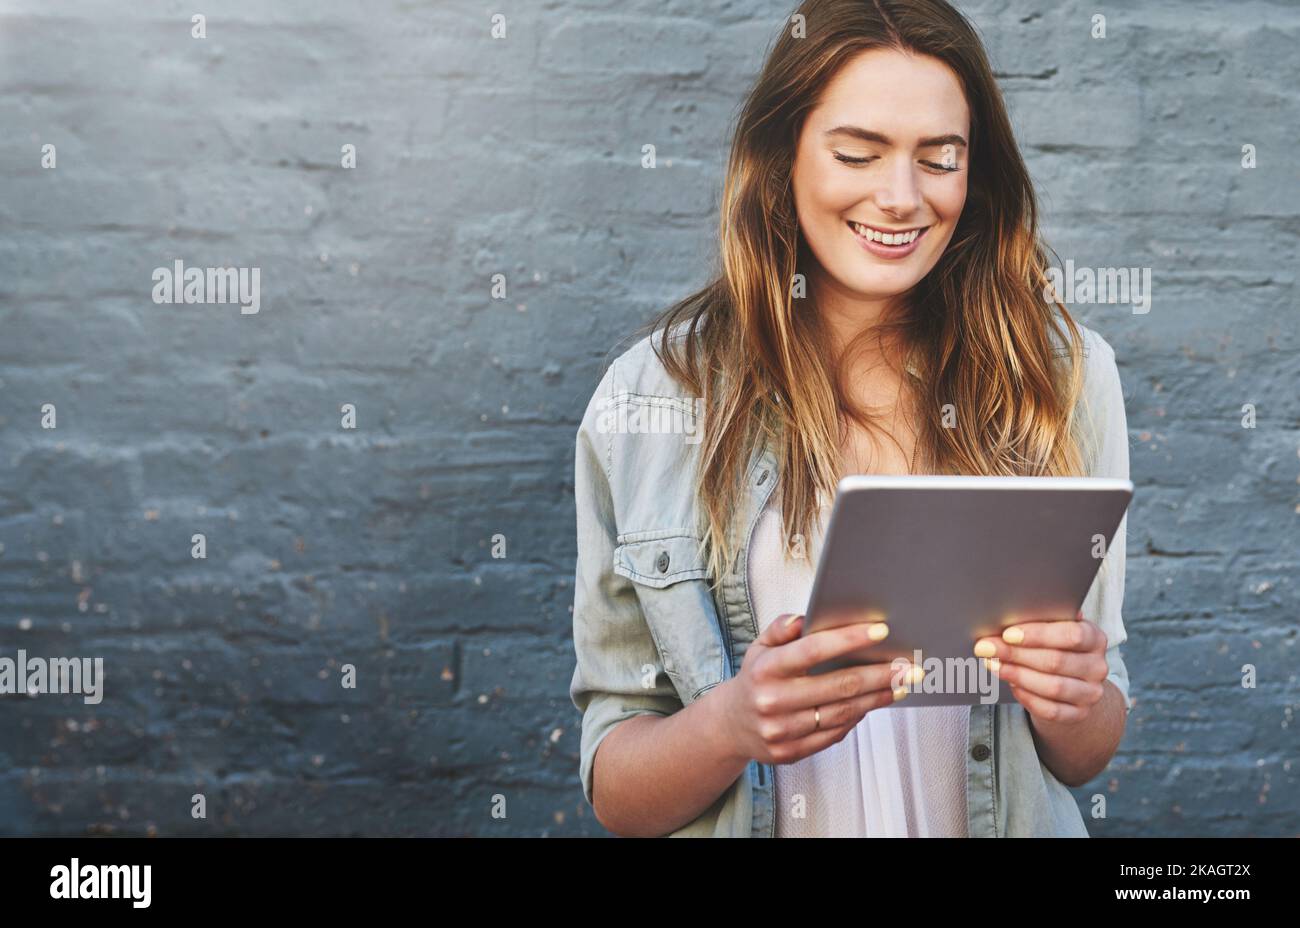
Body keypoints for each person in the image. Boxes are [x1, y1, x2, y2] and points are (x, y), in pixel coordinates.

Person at [569, 0, 1132, 837]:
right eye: (857, 153)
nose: (901, 197)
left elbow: (1086, 752)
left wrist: (1074, 695)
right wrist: (729, 726)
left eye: (940, 159)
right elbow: (616, 787)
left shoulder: (1060, 377)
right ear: (781, 156)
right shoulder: (651, 396)